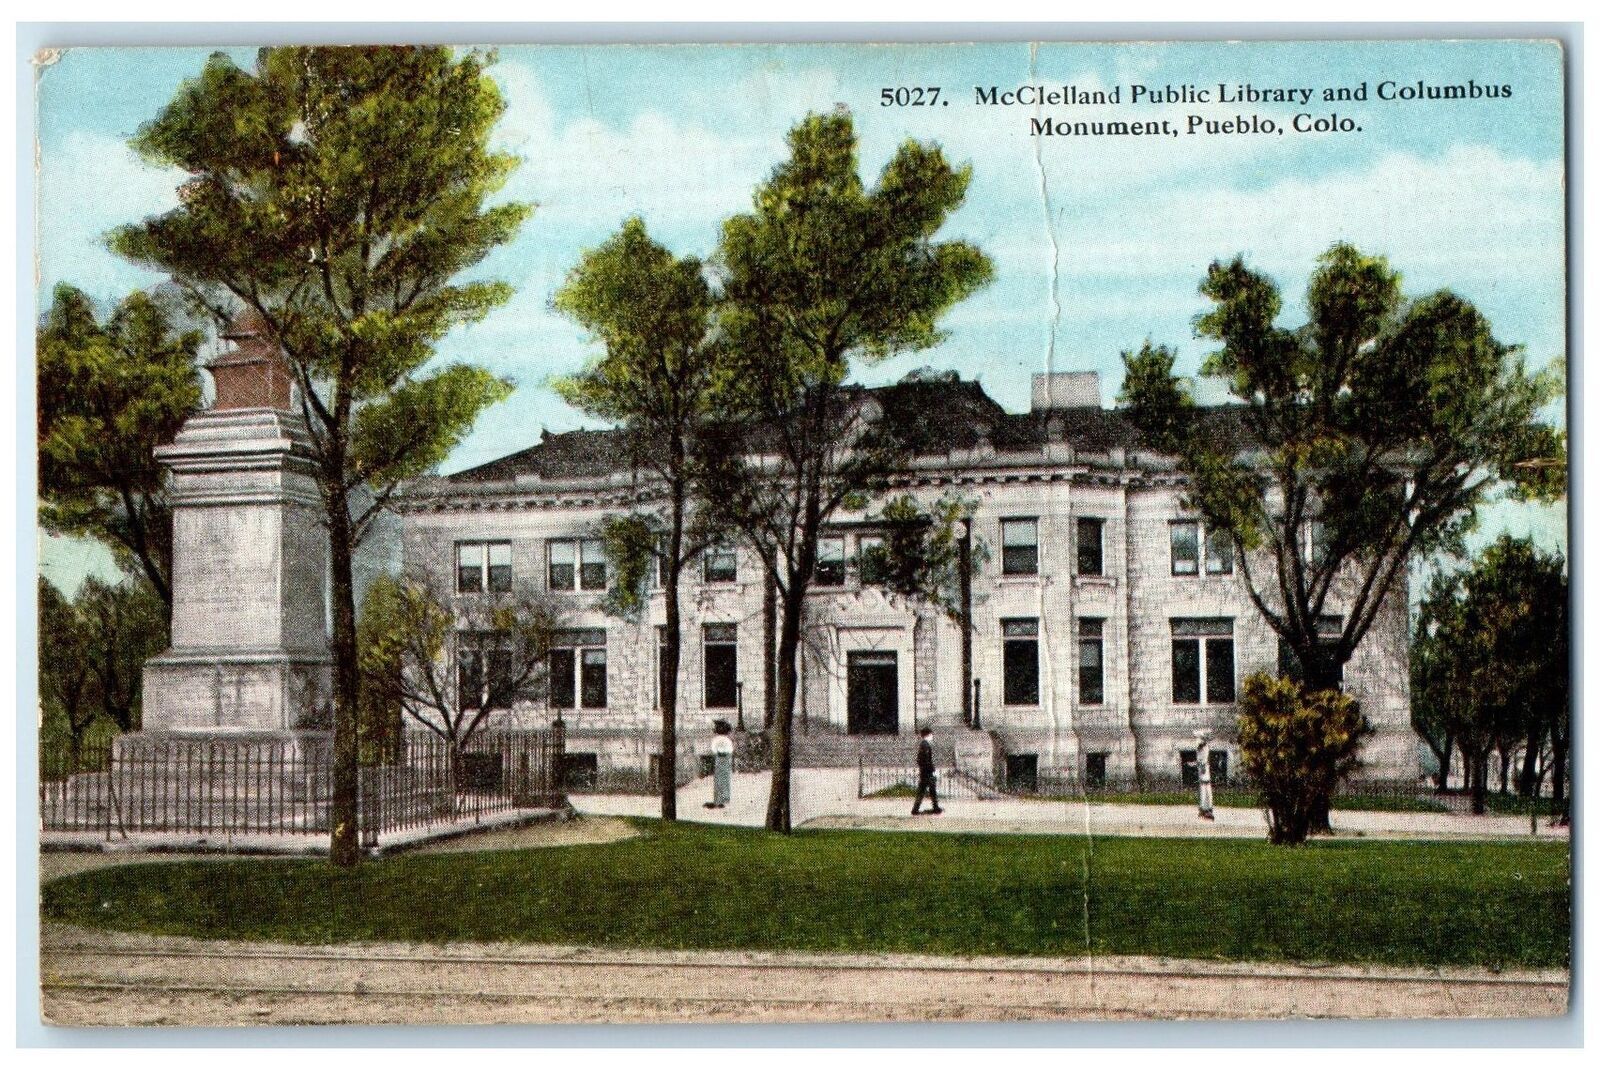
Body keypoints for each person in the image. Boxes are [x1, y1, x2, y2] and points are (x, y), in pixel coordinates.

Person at [911, 726, 942, 815]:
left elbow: (920, 760)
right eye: (931, 734)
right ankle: (934, 808)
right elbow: (926, 760)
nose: (932, 736)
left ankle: (918, 809)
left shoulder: (923, 745)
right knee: (930, 791)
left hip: (924, 772)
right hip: (927, 773)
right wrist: (932, 770)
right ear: (928, 735)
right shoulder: (925, 745)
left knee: (925, 791)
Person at [705, 719, 734, 809]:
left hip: (719, 759)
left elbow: (713, 750)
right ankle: (724, 798)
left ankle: (718, 800)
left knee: (718, 780)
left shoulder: (716, 739)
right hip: (726, 759)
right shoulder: (728, 740)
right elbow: (730, 750)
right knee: (725, 778)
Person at [1197, 738, 1215, 820]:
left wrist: (1202, 766)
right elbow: (1201, 761)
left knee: (1206, 790)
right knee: (1204, 790)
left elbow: (1204, 760)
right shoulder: (1201, 749)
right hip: (1203, 770)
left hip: (1204, 771)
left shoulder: (1204, 748)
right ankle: (1205, 809)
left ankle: (1206, 809)